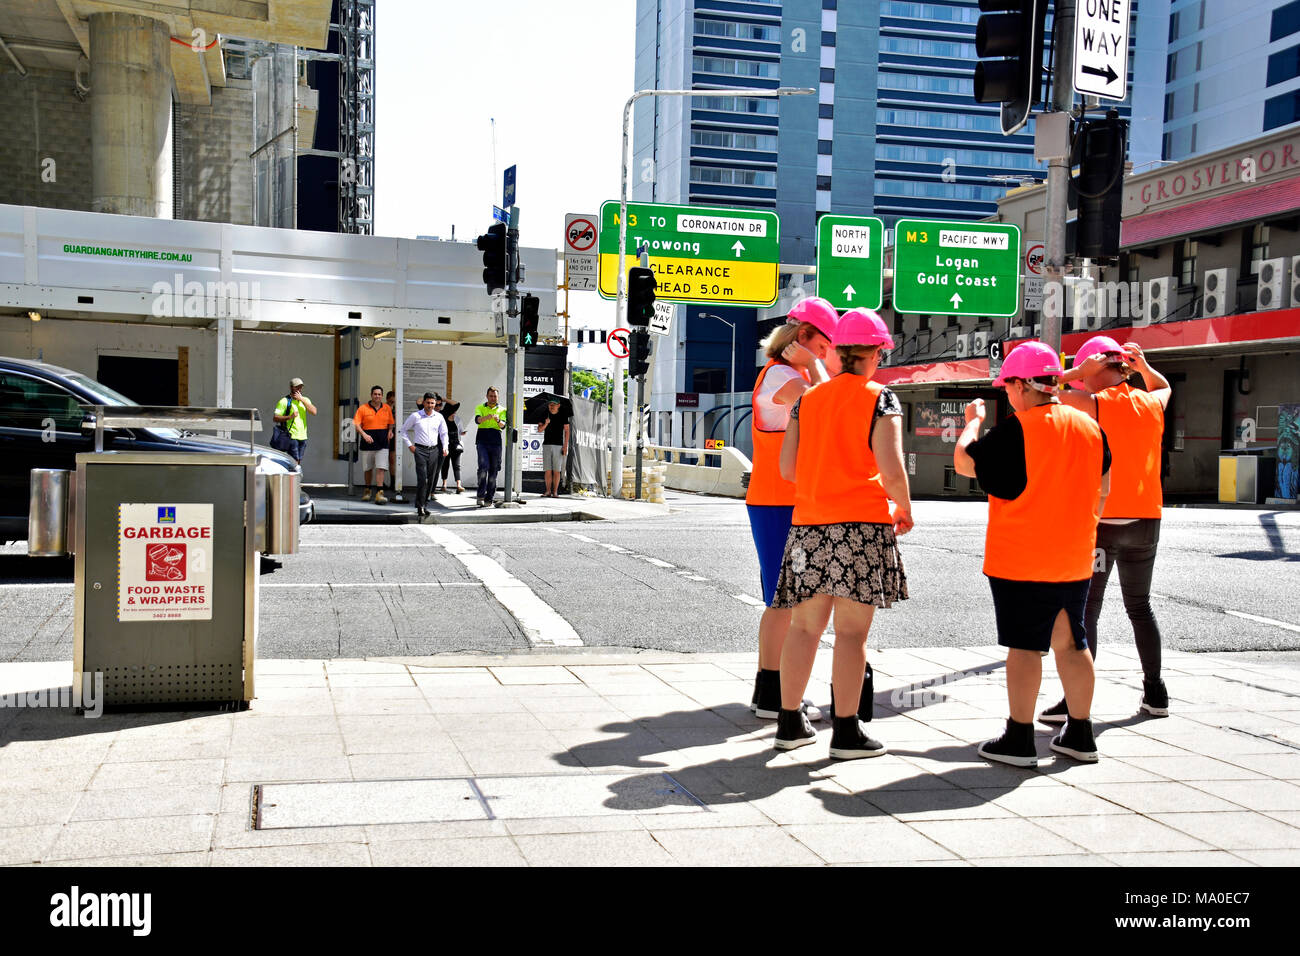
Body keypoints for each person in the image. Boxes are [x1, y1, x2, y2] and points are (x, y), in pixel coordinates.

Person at [954, 341, 1111, 767]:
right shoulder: (1090, 427)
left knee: (1025, 648)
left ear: (1024, 384)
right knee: (1072, 643)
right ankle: (1080, 732)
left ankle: (1019, 739)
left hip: (1021, 558)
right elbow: (1105, 489)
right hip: (1075, 555)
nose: (1006, 393)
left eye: (1007, 386)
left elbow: (966, 463)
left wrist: (972, 424)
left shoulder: (1018, 429)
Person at [771, 308, 912, 760]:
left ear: (837, 353)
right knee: (851, 635)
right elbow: (891, 470)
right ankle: (847, 732)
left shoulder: (807, 400)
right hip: (862, 526)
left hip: (809, 525)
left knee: (804, 627)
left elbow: (787, 468)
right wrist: (904, 506)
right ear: (875, 352)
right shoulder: (881, 398)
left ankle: (789, 722)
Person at [1036, 336, 1173, 720]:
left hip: (1104, 522)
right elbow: (1164, 387)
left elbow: (1042, 390)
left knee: (1086, 611)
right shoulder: (1150, 403)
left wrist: (1076, 372)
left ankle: (1075, 702)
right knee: (1140, 606)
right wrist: (1143, 366)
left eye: (1087, 375)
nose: (1082, 383)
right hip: (1147, 521)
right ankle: (1155, 693)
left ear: (1096, 370)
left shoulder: (1093, 403)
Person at [746, 296, 841, 723]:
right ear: (802, 337)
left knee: (783, 597)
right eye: (822, 346)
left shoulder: (789, 372)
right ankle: (773, 695)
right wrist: (814, 364)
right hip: (777, 500)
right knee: (784, 598)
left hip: (788, 499)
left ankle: (771, 692)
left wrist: (813, 362)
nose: (827, 355)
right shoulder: (781, 376)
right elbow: (827, 408)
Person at [400, 392, 449, 518]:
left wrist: (445, 447)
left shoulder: (439, 417)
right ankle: (419, 506)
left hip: (434, 450)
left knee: (431, 480)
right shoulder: (415, 416)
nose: (430, 405)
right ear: (423, 403)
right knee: (422, 479)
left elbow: (444, 433)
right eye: (428, 402)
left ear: (435, 404)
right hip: (420, 450)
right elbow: (403, 431)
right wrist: (410, 445)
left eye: (433, 403)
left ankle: (425, 504)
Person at [354, 385, 395, 504]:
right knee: (368, 468)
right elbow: (356, 424)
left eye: (379, 394)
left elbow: (391, 422)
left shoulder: (387, 408)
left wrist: (390, 431)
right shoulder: (363, 408)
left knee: (381, 468)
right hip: (368, 442)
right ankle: (367, 490)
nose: (377, 396)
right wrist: (364, 435)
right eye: (375, 394)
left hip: (383, 442)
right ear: (371, 395)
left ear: (382, 396)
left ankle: (379, 493)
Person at [474, 386, 508, 508]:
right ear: (487, 396)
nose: (493, 398)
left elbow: (503, 426)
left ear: (497, 397)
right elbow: (477, 420)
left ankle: (490, 497)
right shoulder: (480, 407)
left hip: (496, 441)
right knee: (483, 467)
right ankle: (480, 496)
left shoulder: (503, 410)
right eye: (491, 396)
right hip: (482, 440)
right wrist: (486, 417)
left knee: (493, 470)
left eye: (495, 396)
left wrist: (498, 420)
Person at [273, 377, 317, 470]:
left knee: (298, 461)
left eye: (300, 387)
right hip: (291, 436)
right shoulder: (284, 401)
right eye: (297, 387)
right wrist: (290, 417)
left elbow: (314, 411)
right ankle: (293, 480)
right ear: (291, 387)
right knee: (295, 461)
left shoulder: (305, 400)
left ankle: (292, 478)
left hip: (303, 436)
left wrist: (302, 400)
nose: (299, 389)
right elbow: (275, 418)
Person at [540, 398, 571, 498]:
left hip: (558, 445)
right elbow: (540, 429)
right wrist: (546, 424)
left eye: (554, 404)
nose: (551, 406)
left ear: (558, 405)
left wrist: (565, 445)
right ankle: (548, 491)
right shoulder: (544, 414)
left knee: (557, 470)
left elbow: (567, 431)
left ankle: (555, 492)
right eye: (550, 404)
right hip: (547, 444)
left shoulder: (563, 415)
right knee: (548, 470)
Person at [439, 396, 466, 494]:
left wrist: (462, 433)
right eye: (453, 411)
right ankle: (444, 484)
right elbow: (456, 404)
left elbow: (461, 431)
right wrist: (443, 400)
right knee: (445, 464)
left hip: (455, 445)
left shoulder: (457, 419)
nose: (454, 413)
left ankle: (458, 485)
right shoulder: (442, 418)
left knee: (457, 465)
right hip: (446, 445)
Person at [386, 391, 398, 488]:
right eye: (390, 402)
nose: (392, 403)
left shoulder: (397, 410)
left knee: (392, 460)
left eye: (393, 402)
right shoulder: (383, 408)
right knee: (381, 459)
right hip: (383, 435)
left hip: (393, 436)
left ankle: (393, 482)